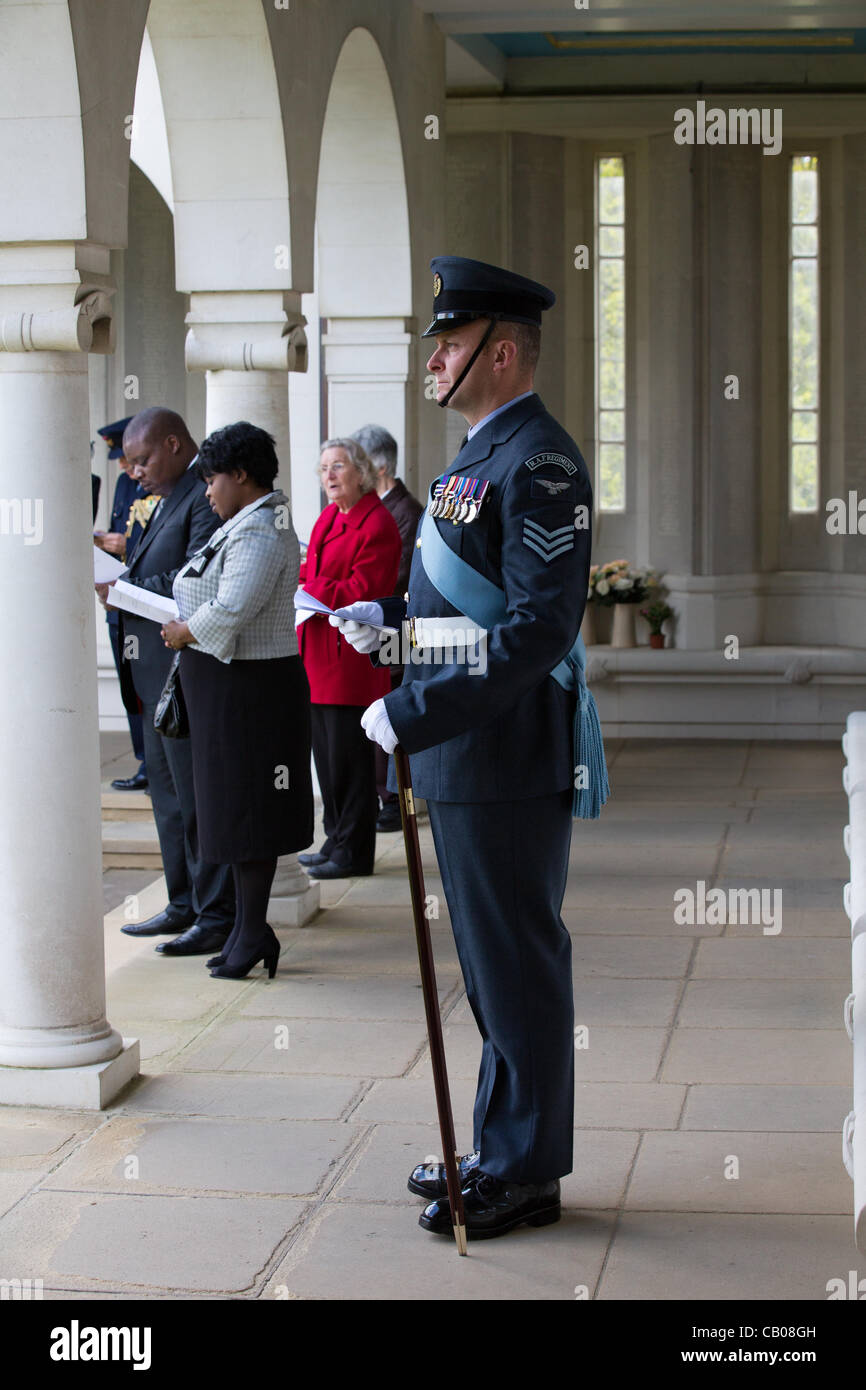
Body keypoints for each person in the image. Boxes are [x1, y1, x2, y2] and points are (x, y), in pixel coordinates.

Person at [332, 257, 597, 1240]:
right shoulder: (475, 456)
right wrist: (389, 638)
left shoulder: (538, 460)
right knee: (487, 968)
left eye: (451, 341)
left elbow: (534, 630)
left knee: (516, 961)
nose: (434, 357)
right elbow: (452, 611)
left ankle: (525, 1170)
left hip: (498, 749)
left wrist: (415, 713)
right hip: (460, 744)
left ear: (503, 350)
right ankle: (498, 1142)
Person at [159, 422, 314, 980]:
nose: (206, 491)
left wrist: (182, 632)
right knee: (234, 812)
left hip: (251, 689)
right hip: (229, 686)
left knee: (252, 814)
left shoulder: (260, 531)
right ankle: (251, 929)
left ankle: (251, 931)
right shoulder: (245, 523)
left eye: (211, 479)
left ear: (241, 476)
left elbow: (231, 609)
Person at [95, 407, 235, 955]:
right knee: (166, 792)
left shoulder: (204, 493)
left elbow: (193, 577)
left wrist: (123, 585)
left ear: (175, 445)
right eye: (129, 463)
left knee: (194, 794)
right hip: (150, 670)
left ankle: (212, 912)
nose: (134, 472)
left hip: (185, 669)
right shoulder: (162, 495)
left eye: (142, 459)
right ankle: (182, 901)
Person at [296, 438, 401, 880]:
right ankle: (334, 839)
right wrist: (311, 585)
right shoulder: (327, 517)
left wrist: (313, 587)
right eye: (323, 469)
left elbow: (363, 591)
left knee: (351, 766)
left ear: (360, 471)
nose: (330, 476)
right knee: (327, 762)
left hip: (350, 660)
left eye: (338, 466)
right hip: (318, 656)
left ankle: (355, 852)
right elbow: (307, 574)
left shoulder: (377, 524)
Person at [351, 424, 423, 832]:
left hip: (395, 631)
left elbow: (399, 578)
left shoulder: (404, 512)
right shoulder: (381, 509)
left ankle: (395, 798)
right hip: (378, 630)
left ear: (378, 468)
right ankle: (387, 794)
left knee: (392, 718)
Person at [94, 416, 155, 791]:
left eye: (127, 457)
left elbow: (145, 541)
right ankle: (143, 760)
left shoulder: (157, 486)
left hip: (145, 598)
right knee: (127, 684)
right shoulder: (121, 483)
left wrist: (124, 545)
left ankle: (155, 761)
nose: (122, 465)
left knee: (148, 683)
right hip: (119, 599)